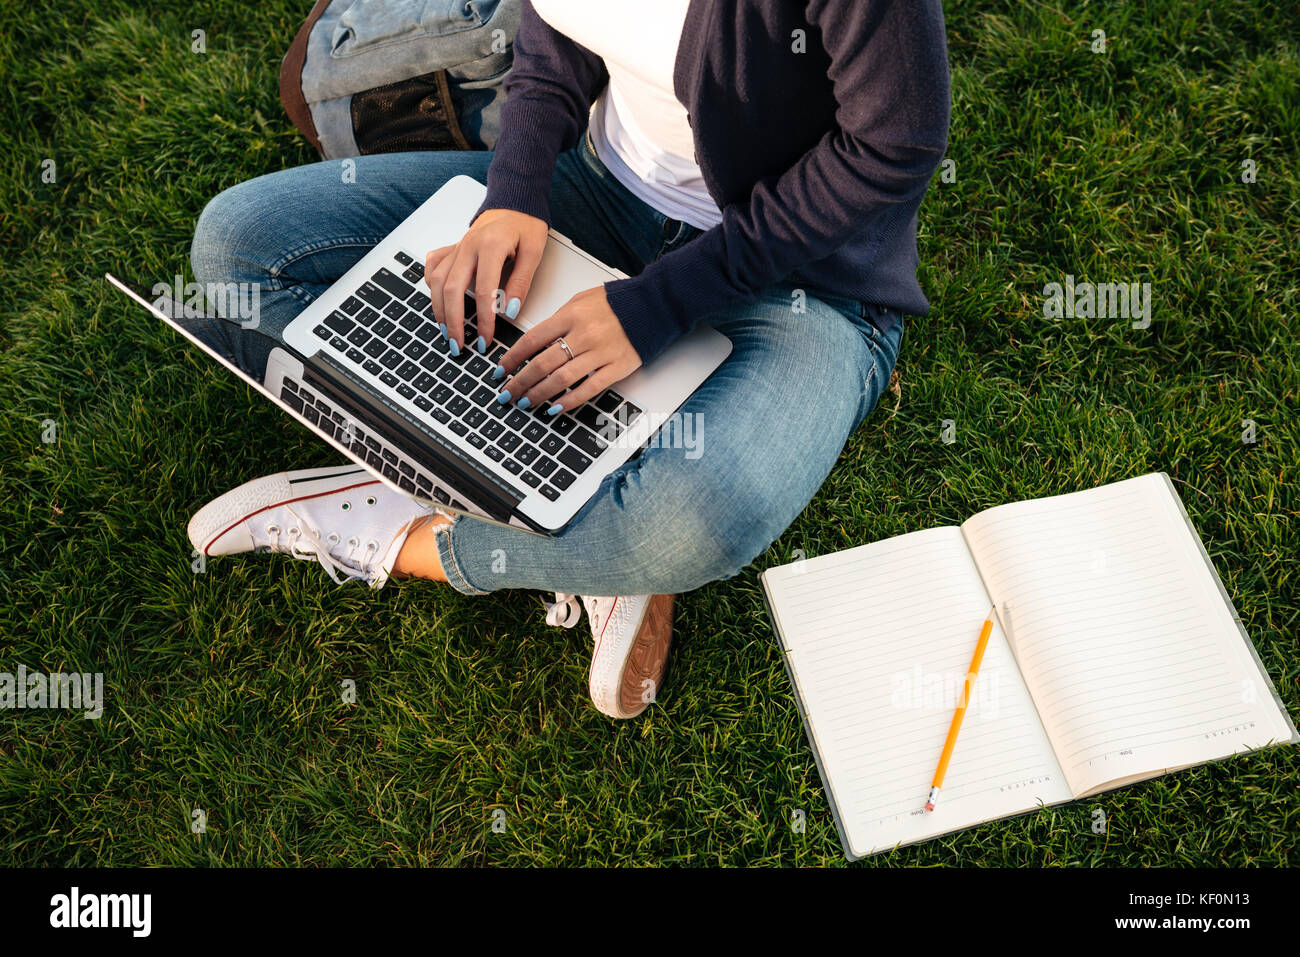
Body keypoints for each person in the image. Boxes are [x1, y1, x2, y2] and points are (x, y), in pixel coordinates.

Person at [184, 0, 951, 718]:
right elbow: (562, 26)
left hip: (801, 281)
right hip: (594, 193)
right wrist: (515, 190)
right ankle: (574, 518)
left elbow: (893, 144)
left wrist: (658, 305)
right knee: (238, 246)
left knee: (695, 519)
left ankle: (401, 525)